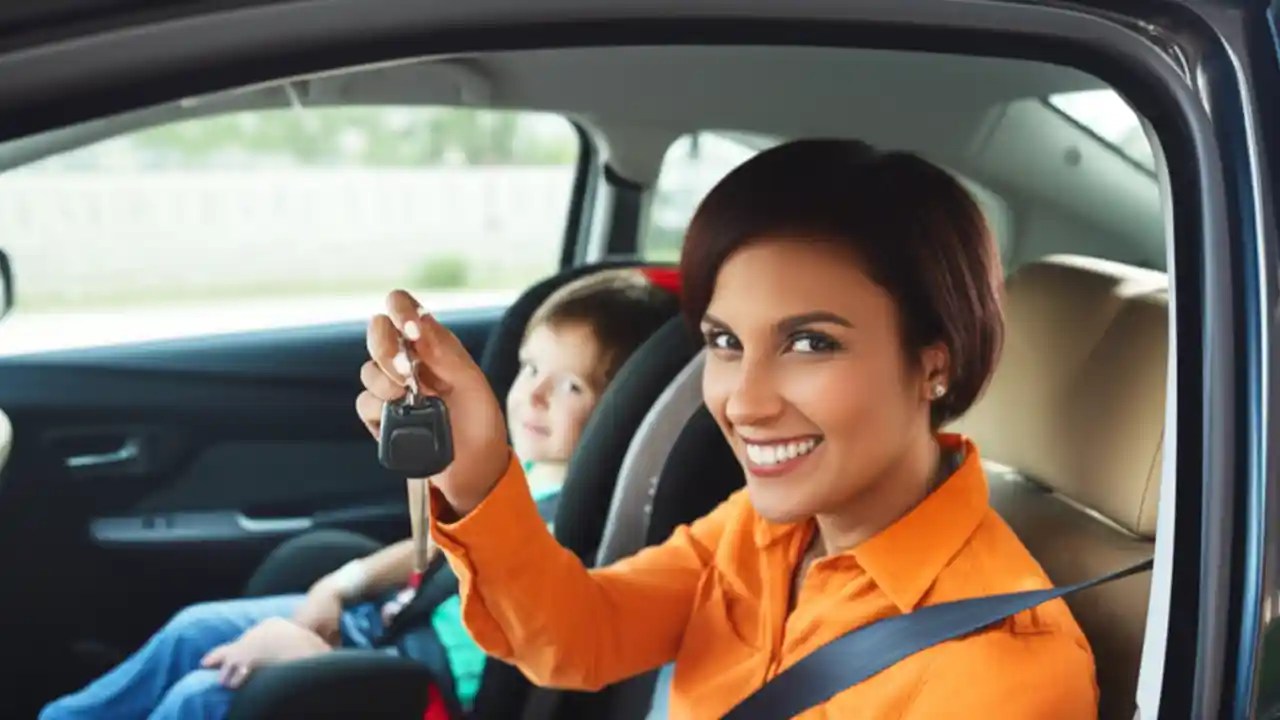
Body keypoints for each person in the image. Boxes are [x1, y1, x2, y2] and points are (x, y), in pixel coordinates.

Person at [358, 140, 1099, 718]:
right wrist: (477, 465)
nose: (743, 403)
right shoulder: (764, 529)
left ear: (933, 363)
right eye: (724, 342)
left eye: (810, 343)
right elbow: (578, 635)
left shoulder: (1003, 667)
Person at [39, 268, 679, 720]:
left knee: (203, 698)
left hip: (427, 683)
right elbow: (435, 553)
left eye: (572, 387)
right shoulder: (521, 476)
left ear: (624, 410)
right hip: (389, 624)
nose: (533, 395)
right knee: (194, 628)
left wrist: (314, 652)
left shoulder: (592, 521)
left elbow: (508, 670)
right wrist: (342, 584)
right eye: (532, 368)